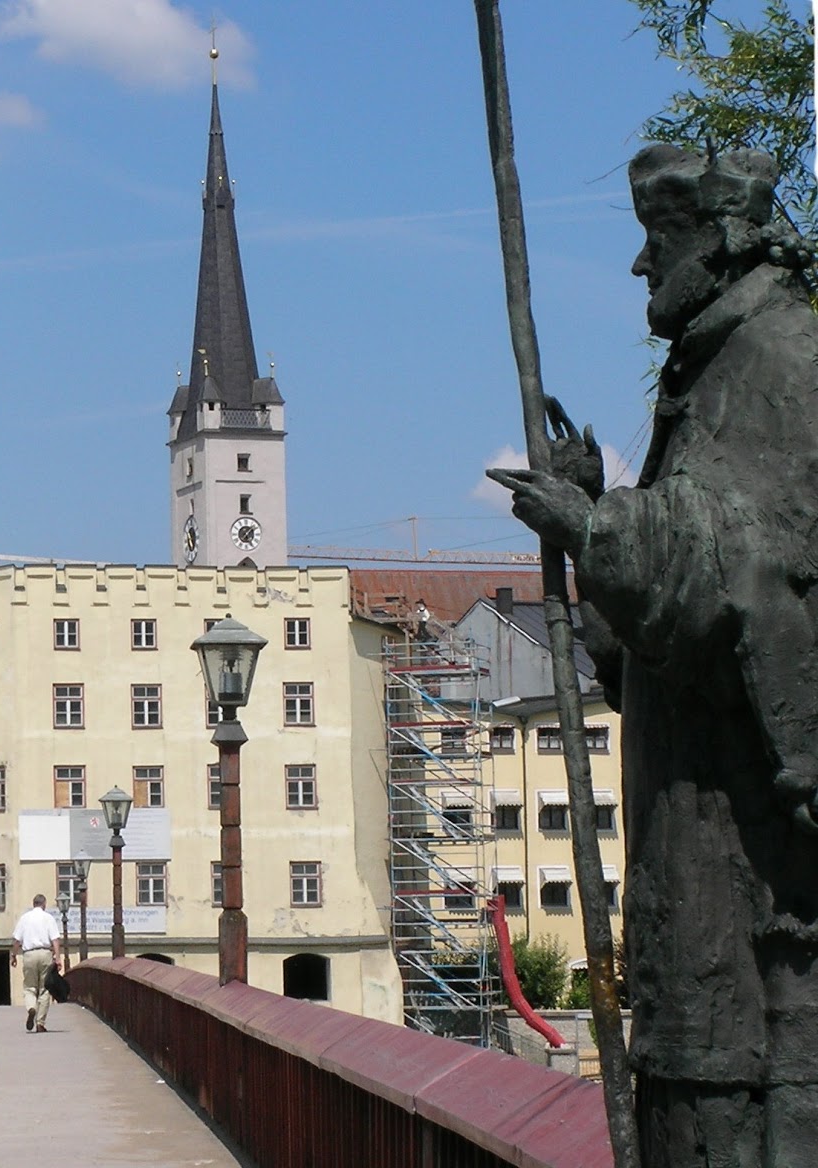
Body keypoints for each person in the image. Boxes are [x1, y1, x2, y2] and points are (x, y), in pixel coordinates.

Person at [488, 144, 818, 1166]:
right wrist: (595, 535)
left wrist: (594, 529)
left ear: (715, 242)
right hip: (696, 861)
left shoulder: (782, 357)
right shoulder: (716, 364)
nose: (639, 266)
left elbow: (745, 564)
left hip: (753, 884)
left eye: (656, 239)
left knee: (739, 1109)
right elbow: (666, 645)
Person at [10, 893, 63, 1033]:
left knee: (29, 987)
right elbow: (55, 940)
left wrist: (13, 956)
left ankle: (31, 1008)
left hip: (29, 954)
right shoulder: (48, 918)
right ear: (44, 904)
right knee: (45, 989)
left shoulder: (24, 918)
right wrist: (57, 958)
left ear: (33, 904)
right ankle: (40, 1023)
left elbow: (16, 940)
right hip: (45, 953)